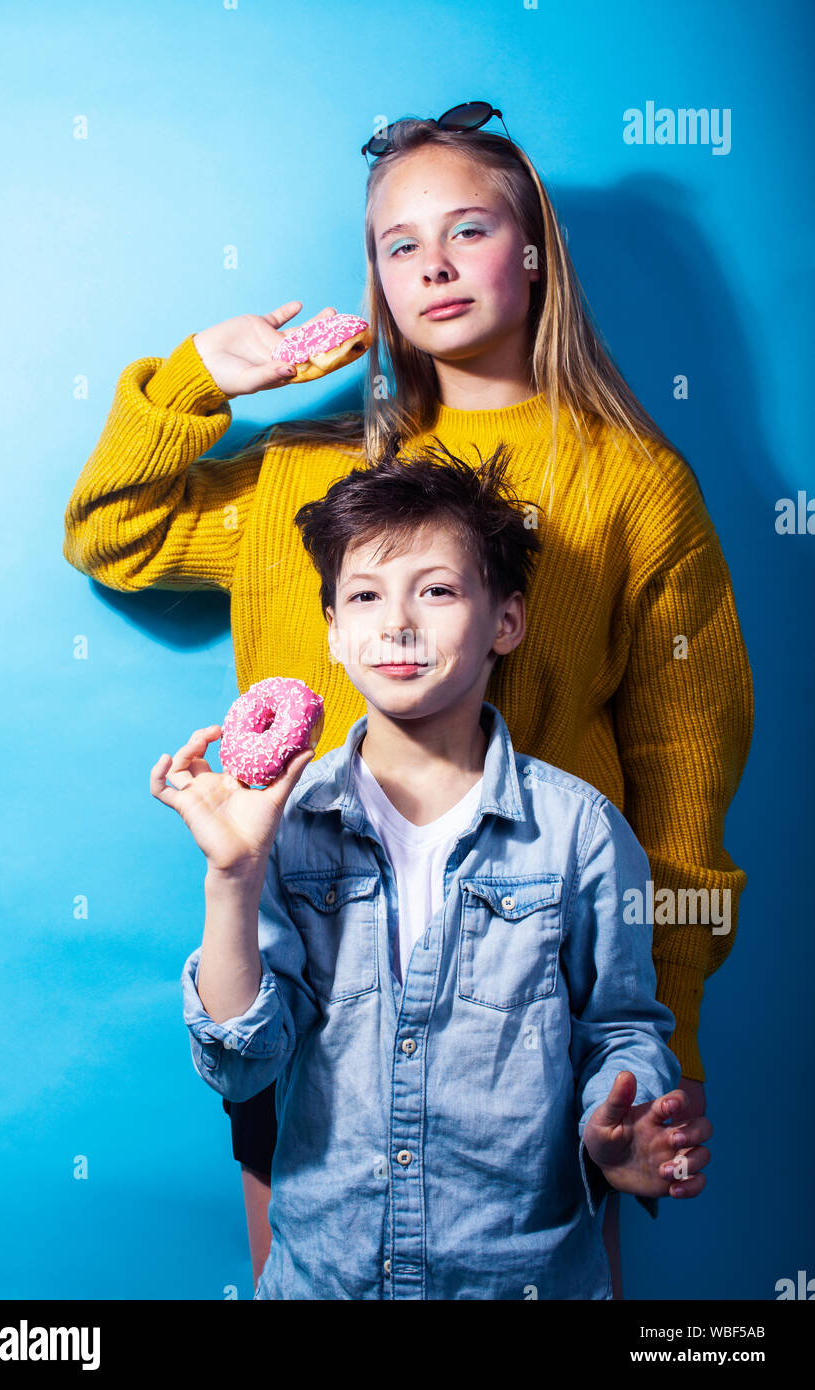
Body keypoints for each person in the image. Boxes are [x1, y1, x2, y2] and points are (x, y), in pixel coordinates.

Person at [62, 103, 753, 1296]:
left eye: (468, 230)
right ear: (375, 281)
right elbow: (112, 535)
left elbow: (684, 780)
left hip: (534, 1024)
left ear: (531, 251)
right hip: (310, 994)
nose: (431, 265)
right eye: (397, 245)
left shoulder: (634, 484)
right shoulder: (304, 469)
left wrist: (656, 1051)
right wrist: (194, 381)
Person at [151, 440, 712, 1300]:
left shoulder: (581, 832)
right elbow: (242, 1066)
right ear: (334, 633)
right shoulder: (285, 824)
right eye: (366, 597)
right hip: (325, 1276)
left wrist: (617, 1127)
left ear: (508, 622)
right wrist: (233, 875)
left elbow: (621, 1026)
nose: (399, 623)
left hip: (523, 1275)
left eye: (439, 590)